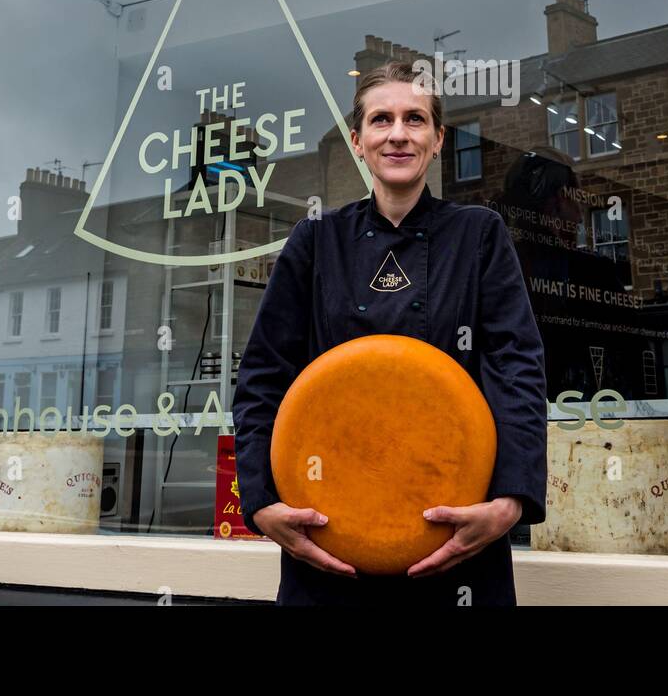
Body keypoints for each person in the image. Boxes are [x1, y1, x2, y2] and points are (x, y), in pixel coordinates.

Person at [231, 60, 548, 606]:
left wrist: (509, 502)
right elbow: (263, 376)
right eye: (381, 120)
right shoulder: (315, 240)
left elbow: (516, 366)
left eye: (415, 119)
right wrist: (261, 501)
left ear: (437, 138)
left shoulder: (478, 235)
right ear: (358, 140)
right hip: (330, 543)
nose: (398, 134)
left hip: (458, 544)